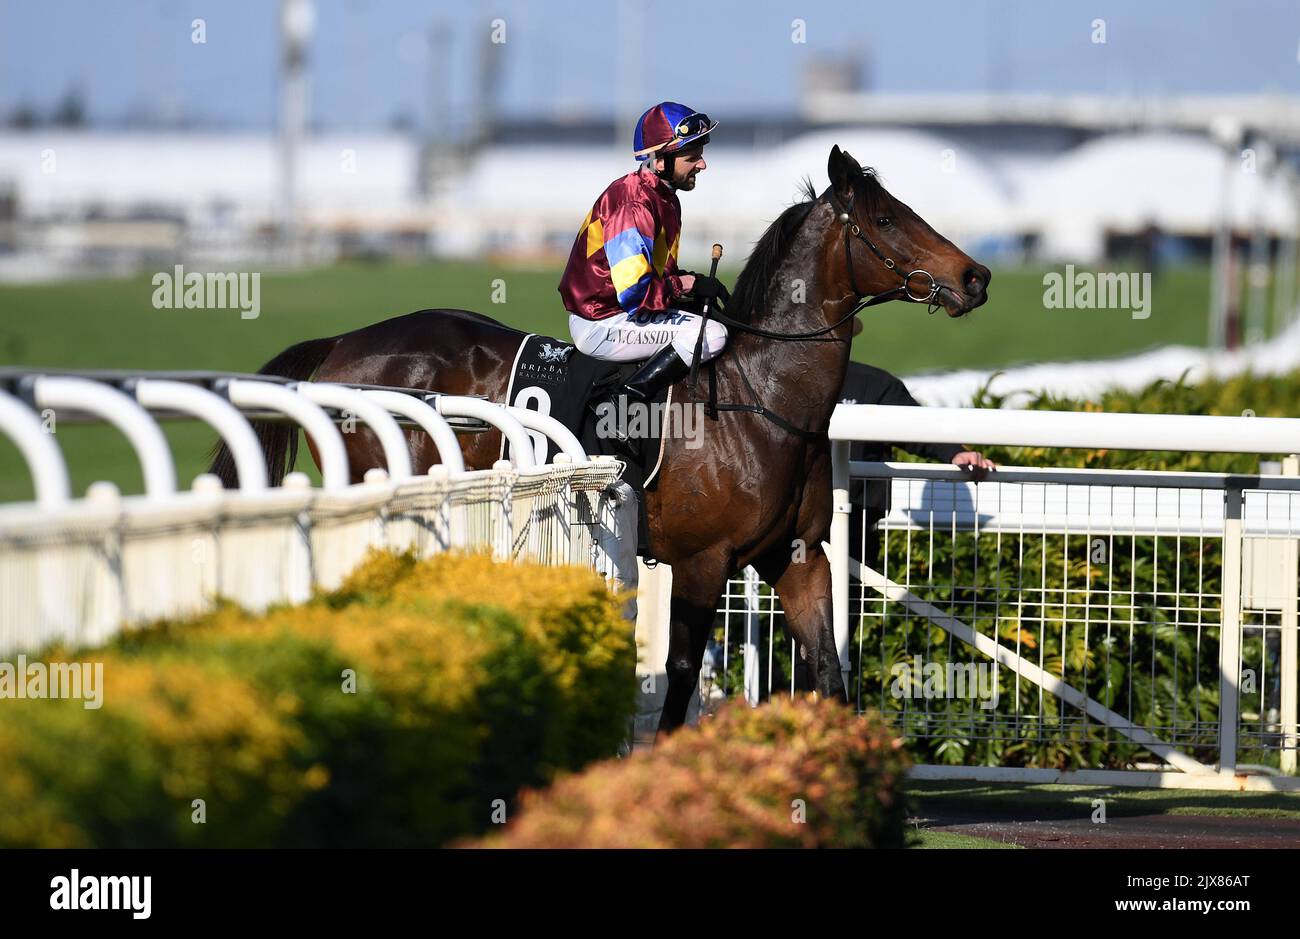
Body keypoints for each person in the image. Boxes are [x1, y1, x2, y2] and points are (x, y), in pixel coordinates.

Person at [558, 101, 731, 403]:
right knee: (711, 335)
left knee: (715, 318)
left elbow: (660, 275)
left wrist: (692, 284)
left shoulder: (664, 198)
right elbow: (636, 294)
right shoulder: (633, 204)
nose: (702, 165)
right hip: (602, 322)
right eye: (693, 157)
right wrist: (687, 286)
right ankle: (628, 400)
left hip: (621, 313)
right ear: (660, 161)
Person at [839, 347, 996, 571]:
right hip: (792, 526)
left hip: (854, 525)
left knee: (849, 602)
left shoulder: (874, 383)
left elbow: (916, 428)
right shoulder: (782, 378)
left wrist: (954, 452)